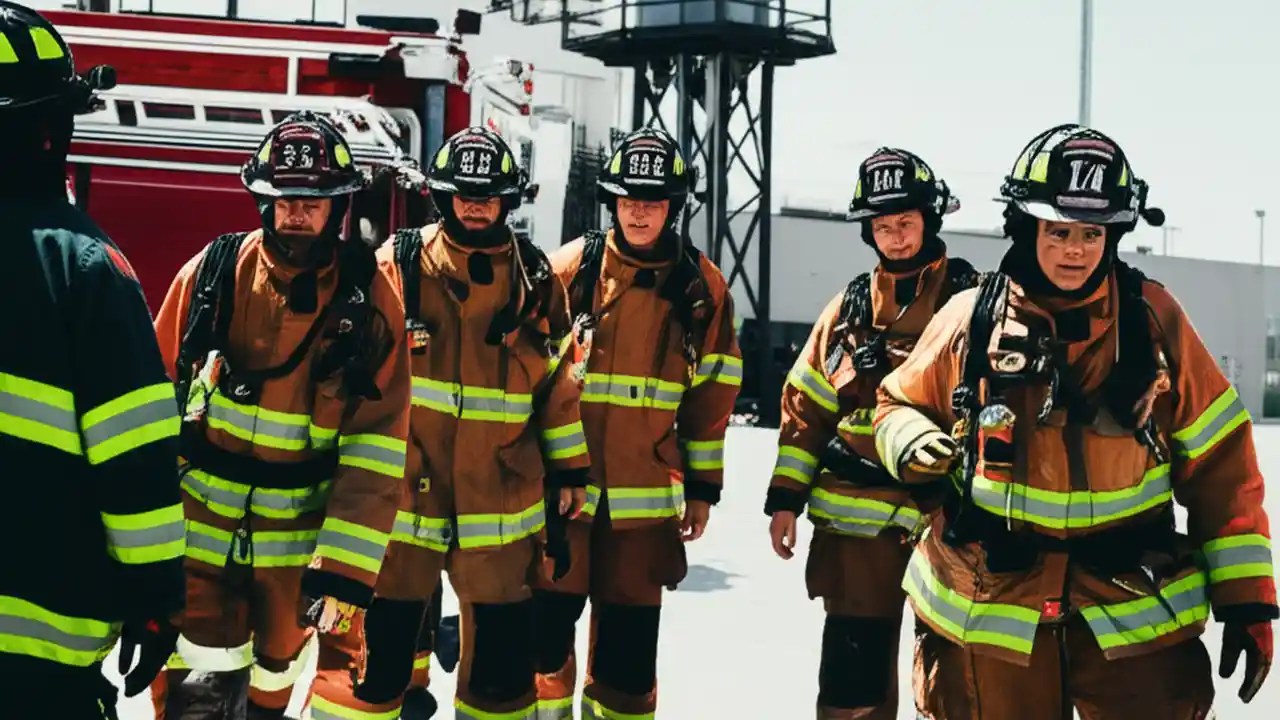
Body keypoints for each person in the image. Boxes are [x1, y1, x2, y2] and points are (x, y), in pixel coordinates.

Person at [874, 123, 1277, 718]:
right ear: (1026, 226)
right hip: (992, 617)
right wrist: (912, 440)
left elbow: (1222, 462)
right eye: (1058, 230)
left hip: (1131, 617)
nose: (1075, 249)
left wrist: (1248, 600)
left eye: (1092, 233)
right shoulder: (971, 319)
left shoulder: (1154, 322)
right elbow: (895, 404)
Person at [151, 110, 412, 719]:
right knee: (196, 694)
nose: (296, 211)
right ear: (264, 201)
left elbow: (377, 446)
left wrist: (344, 569)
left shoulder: (371, 302)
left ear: (336, 208)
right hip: (199, 541)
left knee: (273, 686)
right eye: (284, 197)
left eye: (312, 200)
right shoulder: (213, 274)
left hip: (296, 554)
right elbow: (154, 394)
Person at [347, 125, 590, 719]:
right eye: (464, 193)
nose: (476, 204)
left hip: (501, 510)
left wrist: (569, 473)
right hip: (405, 501)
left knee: (501, 685)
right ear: (442, 194)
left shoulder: (535, 280)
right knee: (378, 674)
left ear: (508, 200)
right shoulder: (396, 267)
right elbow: (353, 381)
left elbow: (559, 388)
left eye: (488, 195)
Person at [0, 3, 185, 718]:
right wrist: (154, 599)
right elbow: (134, 459)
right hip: (41, 661)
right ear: (54, 128)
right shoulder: (83, 268)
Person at [533, 126, 743, 719]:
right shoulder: (569, 269)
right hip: (561, 501)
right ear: (612, 203)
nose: (640, 213)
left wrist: (702, 490)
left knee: (626, 672)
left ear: (673, 207)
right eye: (628, 201)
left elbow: (712, 398)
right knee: (542, 651)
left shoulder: (701, 289)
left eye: (652, 202)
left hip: (642, 511)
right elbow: (524, 380)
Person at [764, 147, 976, 719]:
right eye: (883, 226)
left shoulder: (972, 303)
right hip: (856, 533)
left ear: (930, 220)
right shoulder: (849, 307)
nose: (897, 238)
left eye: (906, 223)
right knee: (851, 692)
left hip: (950, 524)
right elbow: (805, 407)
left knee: (957, 687)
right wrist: (785, 499)